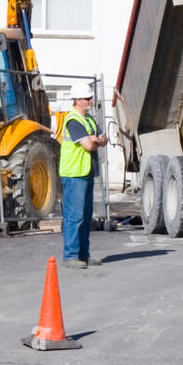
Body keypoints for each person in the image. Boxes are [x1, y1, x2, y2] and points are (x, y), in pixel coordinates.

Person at [60, 81, 106, 269]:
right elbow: (88, 145)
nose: (90, 100)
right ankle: (70, 256)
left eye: (90, 98)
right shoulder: (73, 120)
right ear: (77, 100)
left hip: (85, 172)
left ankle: (83, 255)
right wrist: (94, 140)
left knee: (86, 216)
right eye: (87, 98)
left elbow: (103, 138)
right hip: (74, 174)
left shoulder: (89, 119)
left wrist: (96, 139)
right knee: (75, 216)